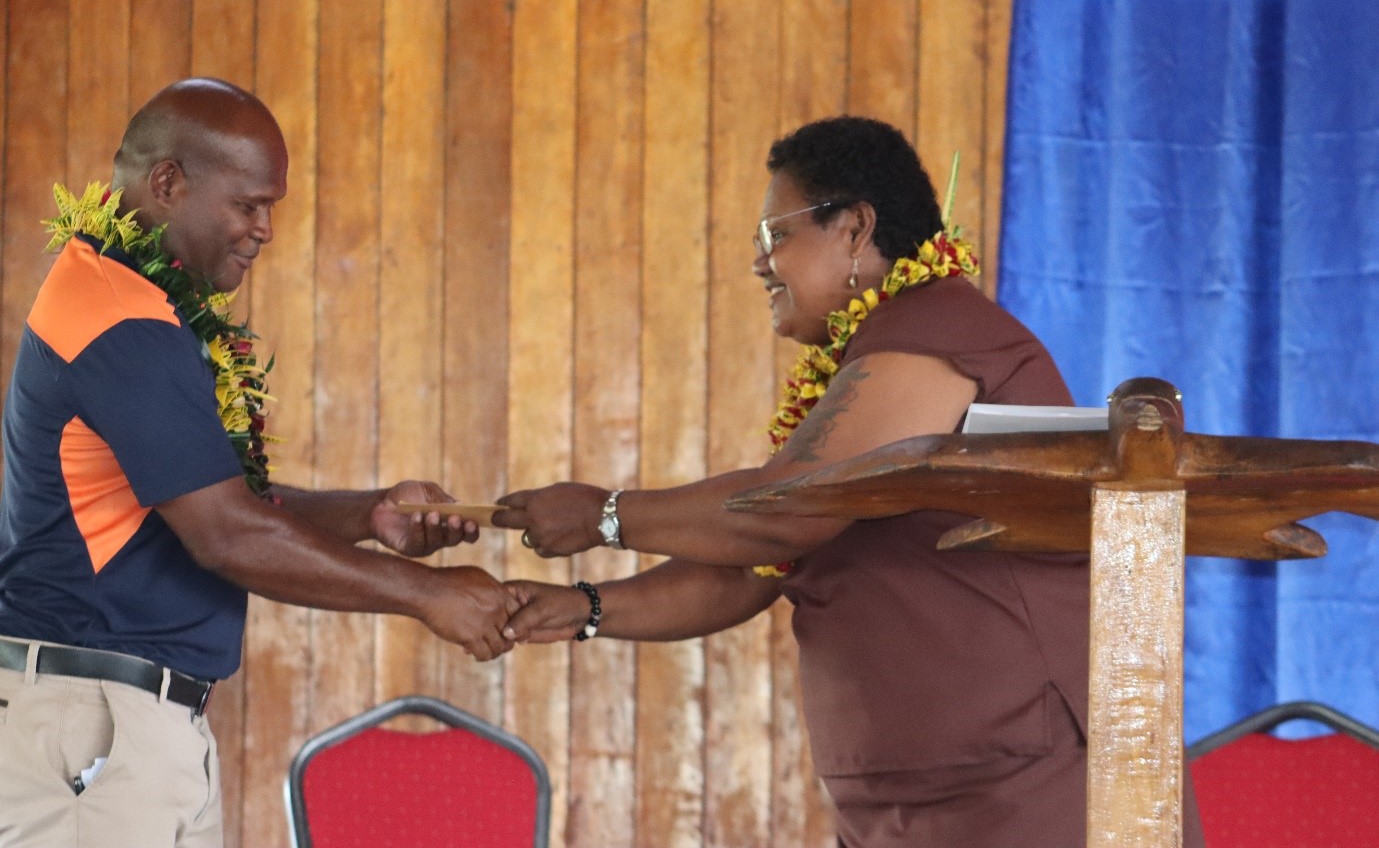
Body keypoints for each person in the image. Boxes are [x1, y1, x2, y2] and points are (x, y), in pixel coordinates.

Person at [494, 117, 1205, 848]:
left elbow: (783, 517)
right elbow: (754, 570)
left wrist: (603, 516)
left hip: (1022, 789)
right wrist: (581, 608)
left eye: (775, 236)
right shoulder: (867, 367)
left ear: (856, 228)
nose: (760, 265)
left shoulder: (936, 331)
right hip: (905, 795)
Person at [0, 78, 517, 848]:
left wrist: (370, 513)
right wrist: (427, 595)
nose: (264, 229)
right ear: (169, 182)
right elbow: (227, 535)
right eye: (249, 204)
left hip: (124, 725)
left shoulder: (136, 302)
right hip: (88, 728)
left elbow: (211, 501)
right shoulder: (118, 321)